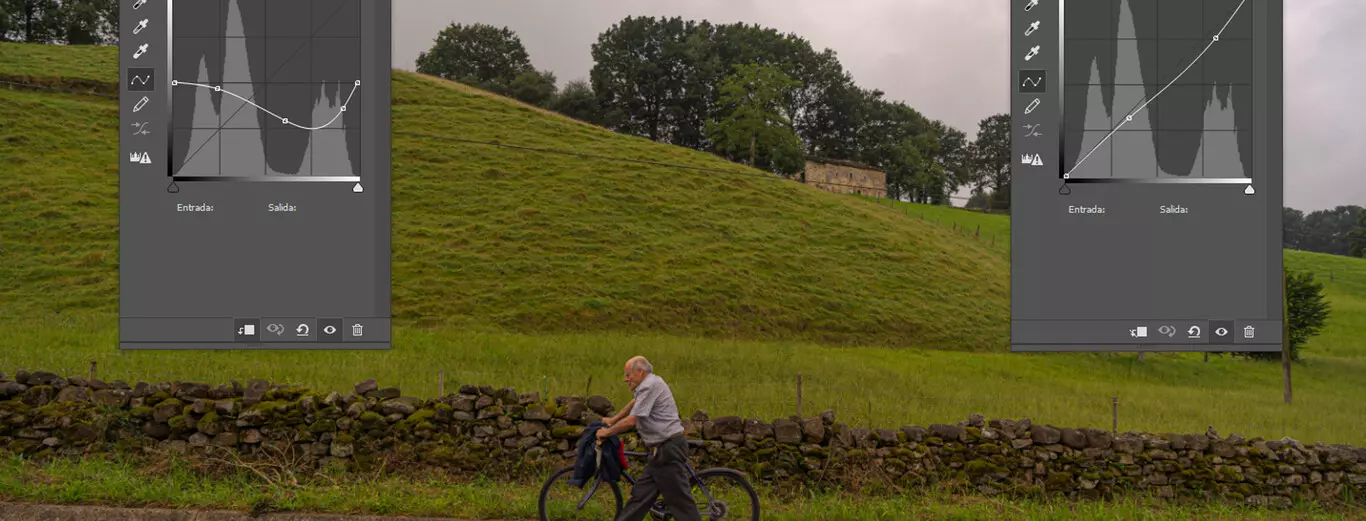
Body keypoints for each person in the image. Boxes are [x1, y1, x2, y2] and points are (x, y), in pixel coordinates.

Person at [595, 356, 701, 521]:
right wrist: (614, 419)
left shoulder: (649, 385)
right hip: (659, 452)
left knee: (681, 505)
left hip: (668, 450)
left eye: (628, 374)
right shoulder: (646, 385)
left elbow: (632, 420)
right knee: (639, 498)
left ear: (640, 372)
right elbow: (634, 403)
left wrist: (607, 432)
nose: (625, 379)